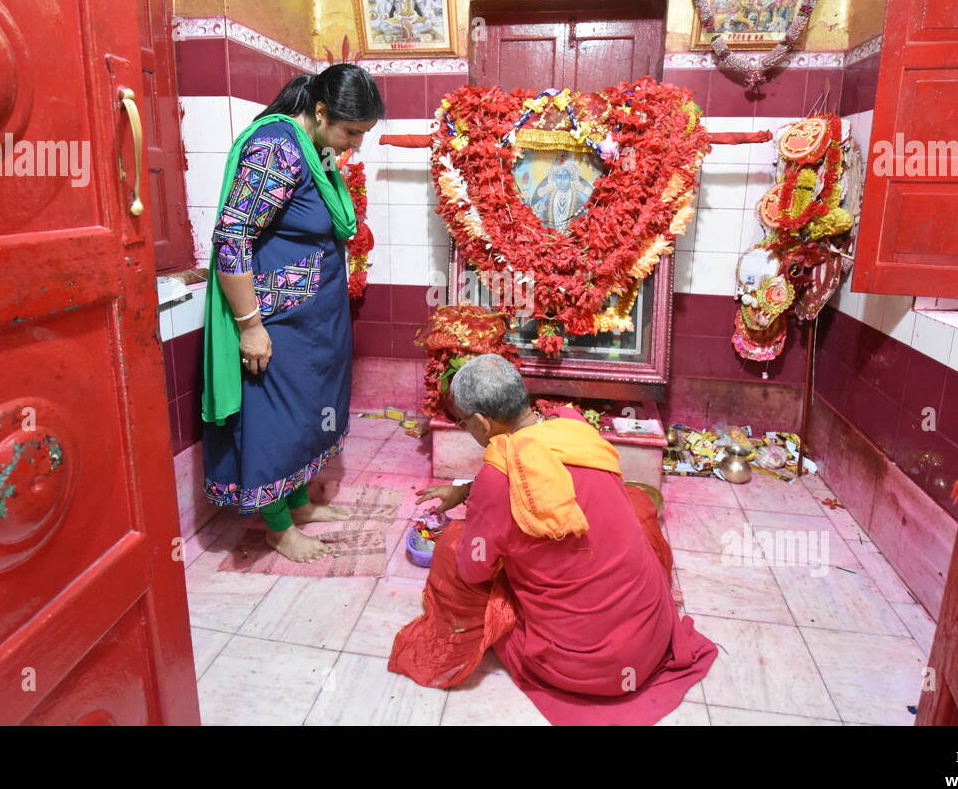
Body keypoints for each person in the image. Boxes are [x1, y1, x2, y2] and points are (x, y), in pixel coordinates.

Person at [389, 354, 719, 725]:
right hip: (651, 645)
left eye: (464, 423)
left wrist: (479, 509)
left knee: (453, 545)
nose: (468, 430)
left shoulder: (497, 480)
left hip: (581, 670)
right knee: (637, 502)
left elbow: (475, 571)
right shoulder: (575, 429)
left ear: (482, 422)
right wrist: (467, 492)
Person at [201, 64, 383, 563]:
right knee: (277, 421)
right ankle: (277, 528)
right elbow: (233, 237)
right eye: (351, 132)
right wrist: (250, 326)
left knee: (307, 415)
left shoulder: (315, 146)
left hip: (314, 319)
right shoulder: (277, 147)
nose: (354, 145)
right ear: (321, 111)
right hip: (276, 320)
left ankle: (300, 505)